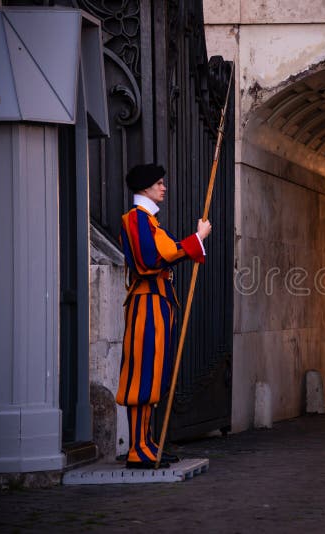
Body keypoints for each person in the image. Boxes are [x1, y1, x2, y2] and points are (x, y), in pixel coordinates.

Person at [117, 163, 211, 469]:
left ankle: (146, 442)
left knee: (154, 374)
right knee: (141, 374)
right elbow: (150, 260)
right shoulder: (136, 219)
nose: (163, 187)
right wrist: (196, 240)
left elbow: (170, 250)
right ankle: (137, 447)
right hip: (146, 302)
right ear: (145, 188)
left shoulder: (150, 222)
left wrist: (195, 242)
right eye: (159, 183)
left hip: (158, 302)